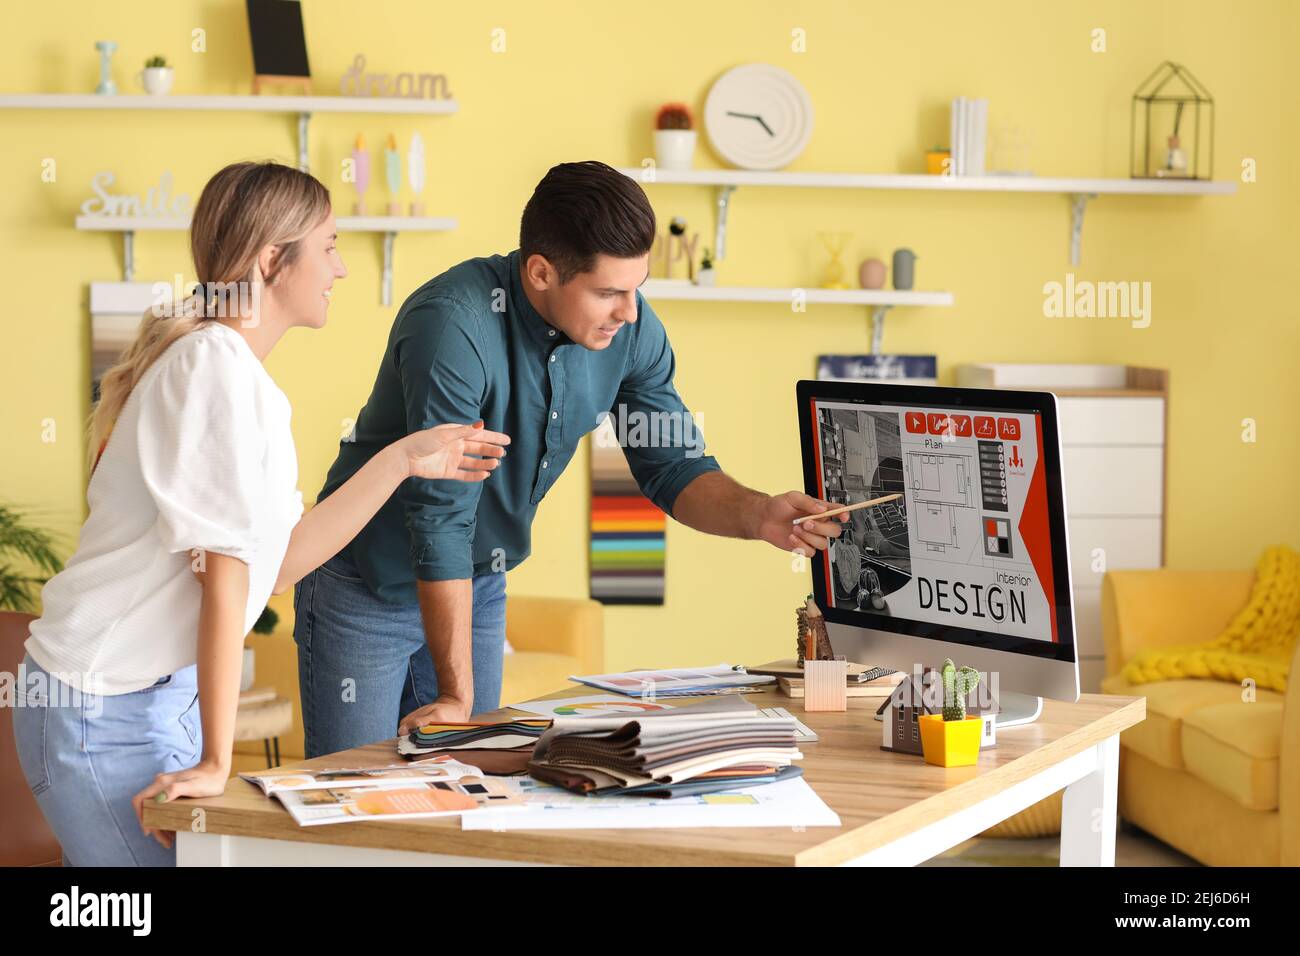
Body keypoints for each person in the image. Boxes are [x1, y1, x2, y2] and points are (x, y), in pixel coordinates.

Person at [11, 161, 509, 865]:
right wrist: (218, 759)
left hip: (147, 701)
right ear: (274, 260)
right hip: (103, 707)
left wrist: (401, 459)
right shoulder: (212, 370)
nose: (340, 268)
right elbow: (225, 577)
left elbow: (276, 569)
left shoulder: (233, 374)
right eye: (330, 246)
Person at [298, 160, 845, 758]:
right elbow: (439, 516)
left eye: (636, 287)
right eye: (608, 292)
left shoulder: (630, 330)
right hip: (363, 586)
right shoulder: (453, 324)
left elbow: (673, 464)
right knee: (346, 797)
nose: (630, 311)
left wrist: (760, 513)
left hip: (476, 581)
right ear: (541, 272)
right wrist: (457, 693)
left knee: (463, 796)